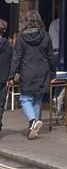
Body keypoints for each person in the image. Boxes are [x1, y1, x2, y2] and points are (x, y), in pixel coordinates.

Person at [9, 11, 56, 139]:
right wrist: (53, 73)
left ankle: (32, 122)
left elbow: (16, 58)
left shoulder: (21, 37)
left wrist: (11, 75)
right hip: (43, 71)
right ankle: (33, 129)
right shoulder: (45, 36)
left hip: (27, 72)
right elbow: (51, 56)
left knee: (25, 99)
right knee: (37, 101)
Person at [0, 20, 12, 134]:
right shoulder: (8, 45)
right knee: (1, 102)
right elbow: (11, 61)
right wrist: (11, 77)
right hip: (3, 77)